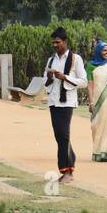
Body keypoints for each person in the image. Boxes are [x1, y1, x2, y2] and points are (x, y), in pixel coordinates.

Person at [45, 27, 87, 182]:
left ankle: (67, 171)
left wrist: (65, 77)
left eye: (58, 42)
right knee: (60, 136)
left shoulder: (76, 59)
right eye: (53, 43)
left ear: (65, 42)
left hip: (67, 102)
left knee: (63, 135)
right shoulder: (51, 60)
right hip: (53, 102)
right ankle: (69, 164)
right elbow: (46, 83)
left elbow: (83, 81)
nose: (55, 45)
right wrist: (49, 77)